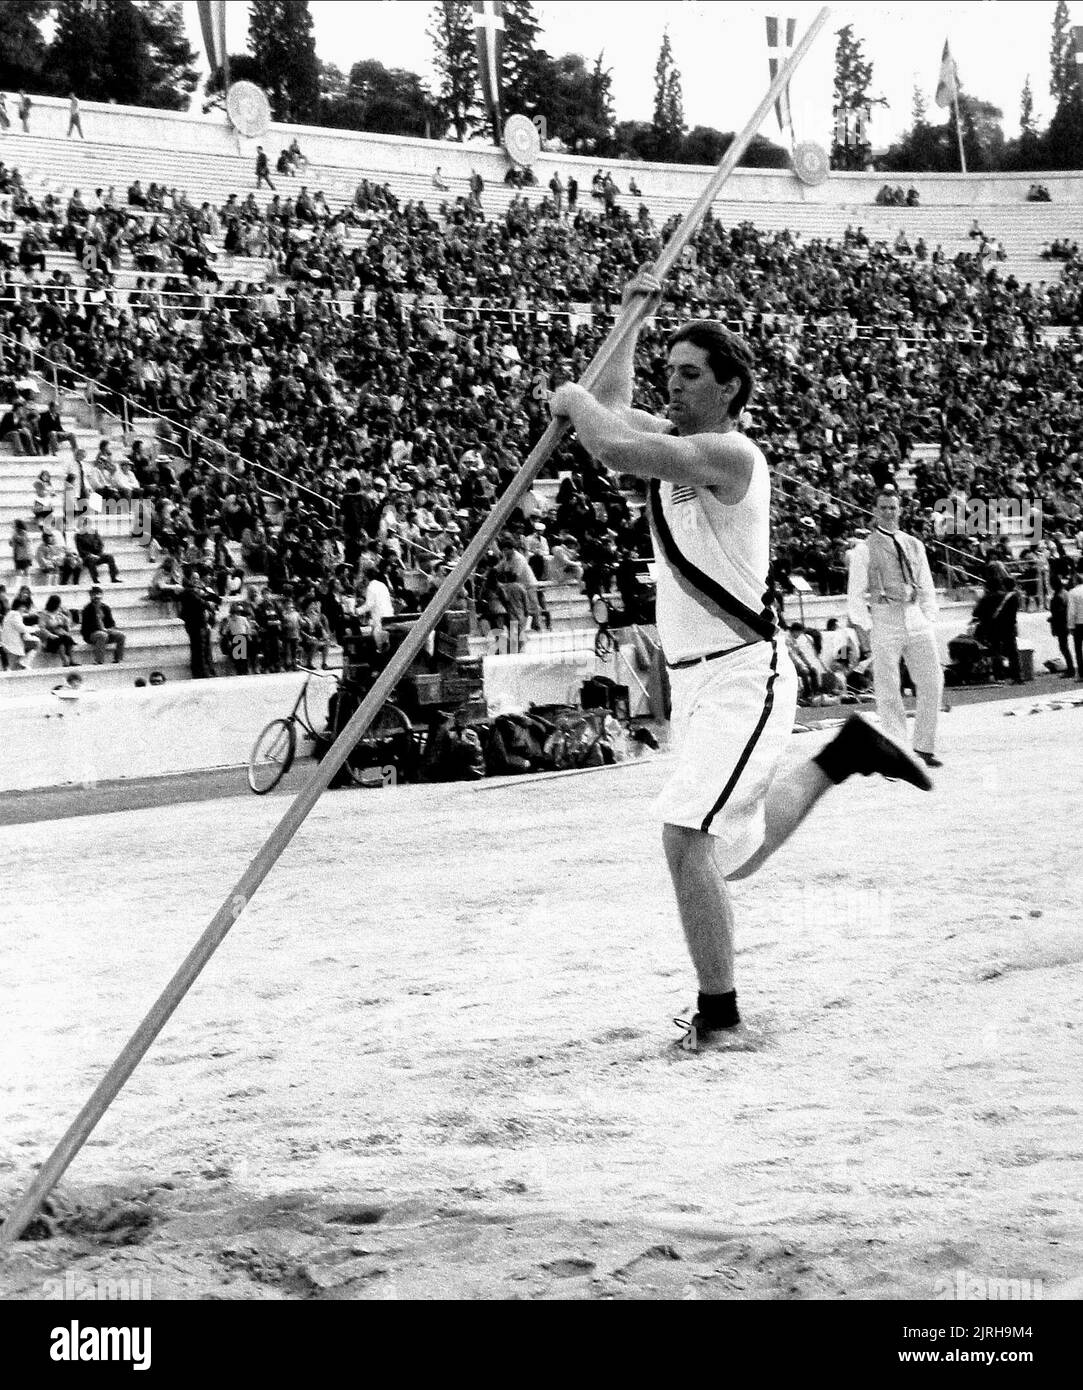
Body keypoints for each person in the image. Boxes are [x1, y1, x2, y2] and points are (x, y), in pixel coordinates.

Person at [548, 270, 932, 1051]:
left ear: (729, 388)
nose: (676, 387)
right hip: (693, 682)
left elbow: (610, 439)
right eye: (670, 374)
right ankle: (845, 754)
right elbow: (619, 412)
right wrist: (630, 319)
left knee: (684, 837)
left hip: (741, 670)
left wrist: (569, 398)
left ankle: (719, 1018)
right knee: (734, 856)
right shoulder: (683, 445)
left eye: (690, 375)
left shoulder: (730, 454)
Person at [847, 491, 944, 768]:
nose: (889, 512)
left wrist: (929, 615)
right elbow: (855, 594)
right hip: (885, 616)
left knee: (932, 681)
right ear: (875, 510)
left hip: (914, 617)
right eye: (884, 507)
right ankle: (897, 750)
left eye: (893, 507)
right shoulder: (863, 549)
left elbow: (926, 583)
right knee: (888, 687)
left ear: (900, 510)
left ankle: (924, 747)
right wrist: (867, 624)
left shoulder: (914, 544)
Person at [80, 585, 125, 664]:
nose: (97, 599)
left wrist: (110, 629)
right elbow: (89, 627)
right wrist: (102, 630)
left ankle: (118, 658)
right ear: (91, 596)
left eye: (99, 596)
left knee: (121, 635)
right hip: (91, 634)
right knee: (102, 635)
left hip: (105, 631)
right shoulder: (87, 609)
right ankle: (99, 660)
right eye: (95, 596)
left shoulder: (105, 608)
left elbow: (111, 622)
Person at [1048, 575, 1075, 678]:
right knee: (1064, 646)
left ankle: (1070, 669)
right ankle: (1071, 668)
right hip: (1065, 622)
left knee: (1063, 647)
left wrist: (1052, 618)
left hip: (1060, 624)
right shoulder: (1065, 593)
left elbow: (1059, 612)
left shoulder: (1058, 596)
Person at [40, 593, 77, 665]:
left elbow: (68, 623)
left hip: (60, 634)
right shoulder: (44, 614)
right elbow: (42, 628)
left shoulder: (59, 614)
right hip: (50, 638)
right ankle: (64, 661)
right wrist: (50, 635)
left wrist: (67, 614)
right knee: (60, 640)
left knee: (67, 638)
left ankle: (71, 660)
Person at [1067, 572, 1083, 683]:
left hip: (1079, 624)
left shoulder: (1073, 593)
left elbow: (1071, 612)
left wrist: (1070, 626)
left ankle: (1081, 674)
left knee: (1078, 649)